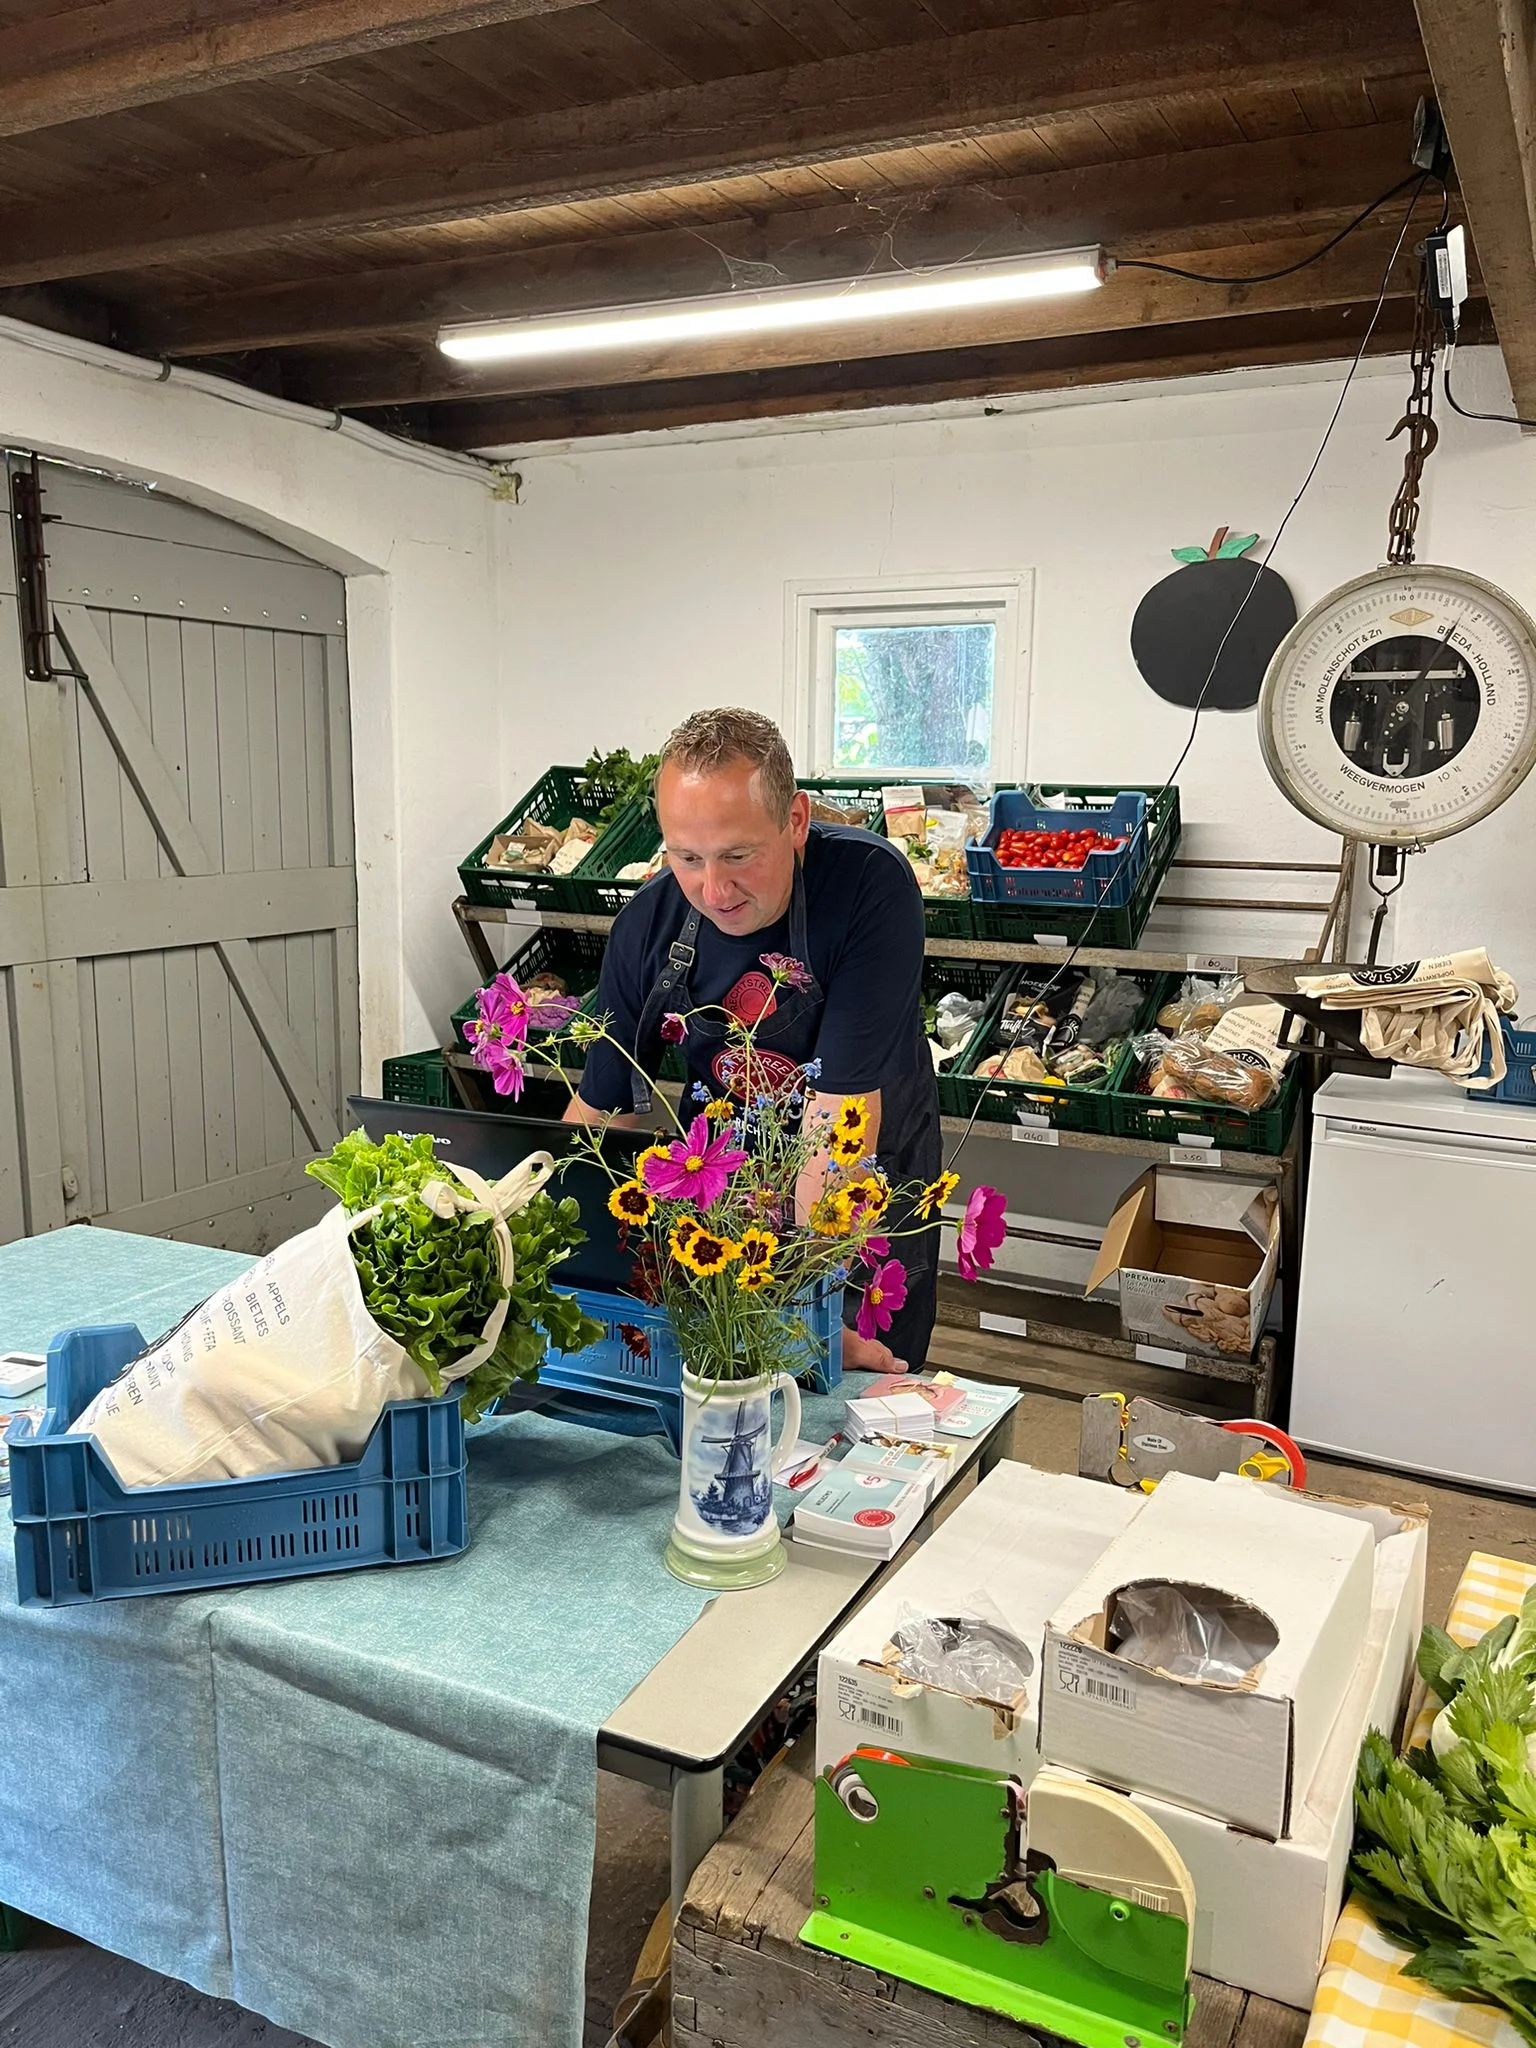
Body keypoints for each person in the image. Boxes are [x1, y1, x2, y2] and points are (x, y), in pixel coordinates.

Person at [566, 706, 942, 1373]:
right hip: (722, 1192)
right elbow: (598, 1117)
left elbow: (839, 1126)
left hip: (857, 1192)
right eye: (686, 858)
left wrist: (809, 1319)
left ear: (795, 821)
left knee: (844, 1410)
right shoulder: (646, 928)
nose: (714, 889)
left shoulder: (867, 889)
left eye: (738, 856)